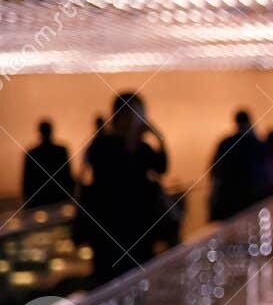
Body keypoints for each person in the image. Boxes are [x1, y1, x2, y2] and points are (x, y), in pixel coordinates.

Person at [80, 93, 169, 284]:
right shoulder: (103, 145)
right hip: (110, 234)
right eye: (136, 115)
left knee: (139, 284)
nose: (140, 121)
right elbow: (109, 183)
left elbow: (162, 167)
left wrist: (158, 138)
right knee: (110, 284)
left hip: (139, 232)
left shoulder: (141, 148)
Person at [209, 110, 270, 221]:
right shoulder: (256, 143)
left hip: (229, 195)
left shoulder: (225, 143)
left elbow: (214, 170)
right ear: (249, 122)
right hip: (251, 195)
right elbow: (265, 171)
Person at [21, 120, 74, 207]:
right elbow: (67, 175)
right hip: (56, 197)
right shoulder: (60, 151)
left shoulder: (32, 153)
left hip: (42, 199)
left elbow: (27, 180)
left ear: (39, 132)